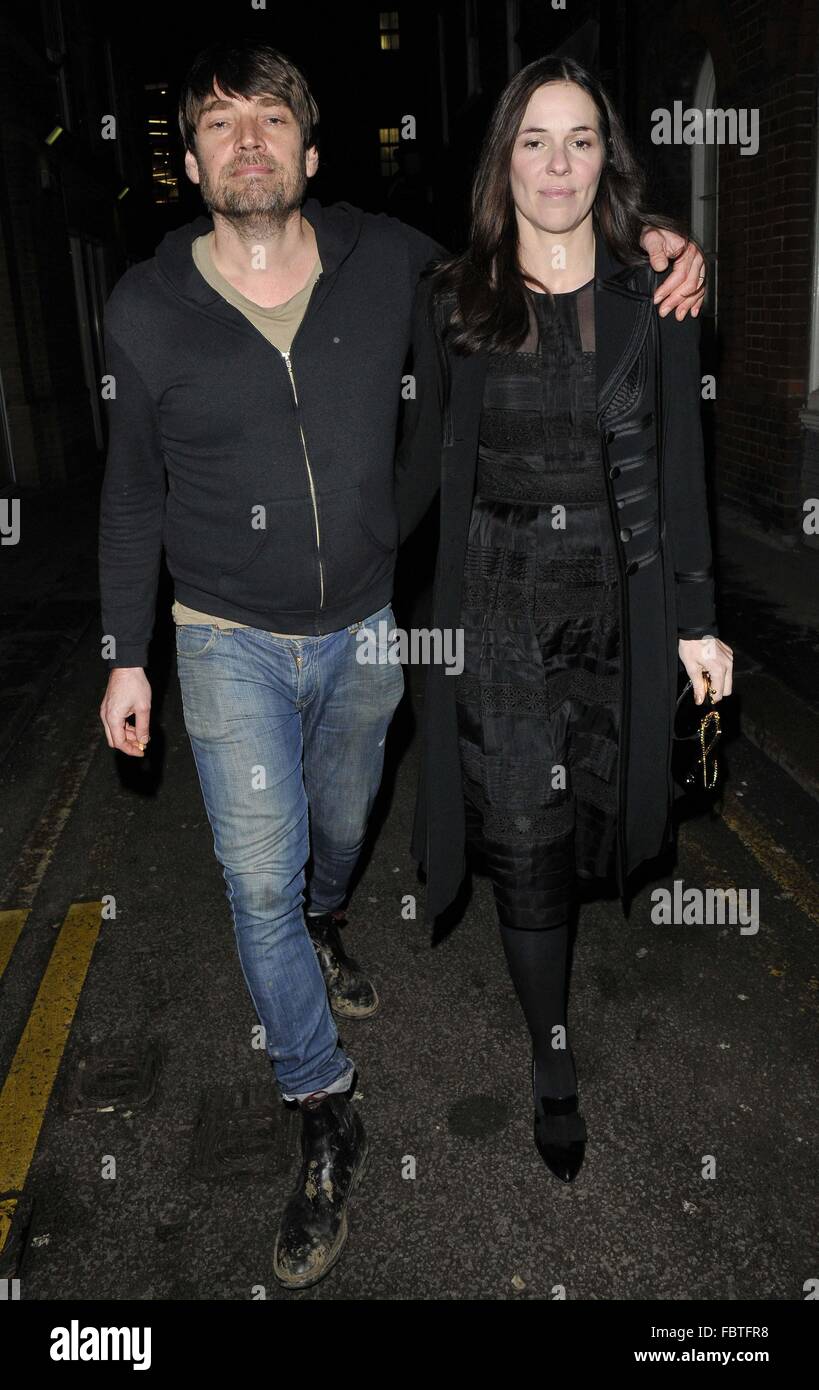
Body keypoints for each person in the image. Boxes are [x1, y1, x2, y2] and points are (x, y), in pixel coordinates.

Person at [97, 38, 707, 1288]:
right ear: (191, 160)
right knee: (294, 874)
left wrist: (671, 244)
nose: (248, 142)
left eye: (271, 117)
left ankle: (329, 915)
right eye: (220, 126)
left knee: (351, 831)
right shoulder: (179, 308)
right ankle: (374, 1091)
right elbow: (139, 493)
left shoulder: (423, 272)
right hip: (324, 634)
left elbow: (659, 450)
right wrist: (126, 652)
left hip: (484, 625)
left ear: (310, 152)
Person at [394, 55, 733, 1186]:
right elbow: (416, 477)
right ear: (505, 158)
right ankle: (552, 1063)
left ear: (608, 158)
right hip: (495, 613)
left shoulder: (655, 296)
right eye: (534, 139)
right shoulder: (450, 300)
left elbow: (681, 470)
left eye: (580, 139)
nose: (556, 164)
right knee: (530, 853)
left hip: (617, 606)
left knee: (599, 820)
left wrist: (695, 621)